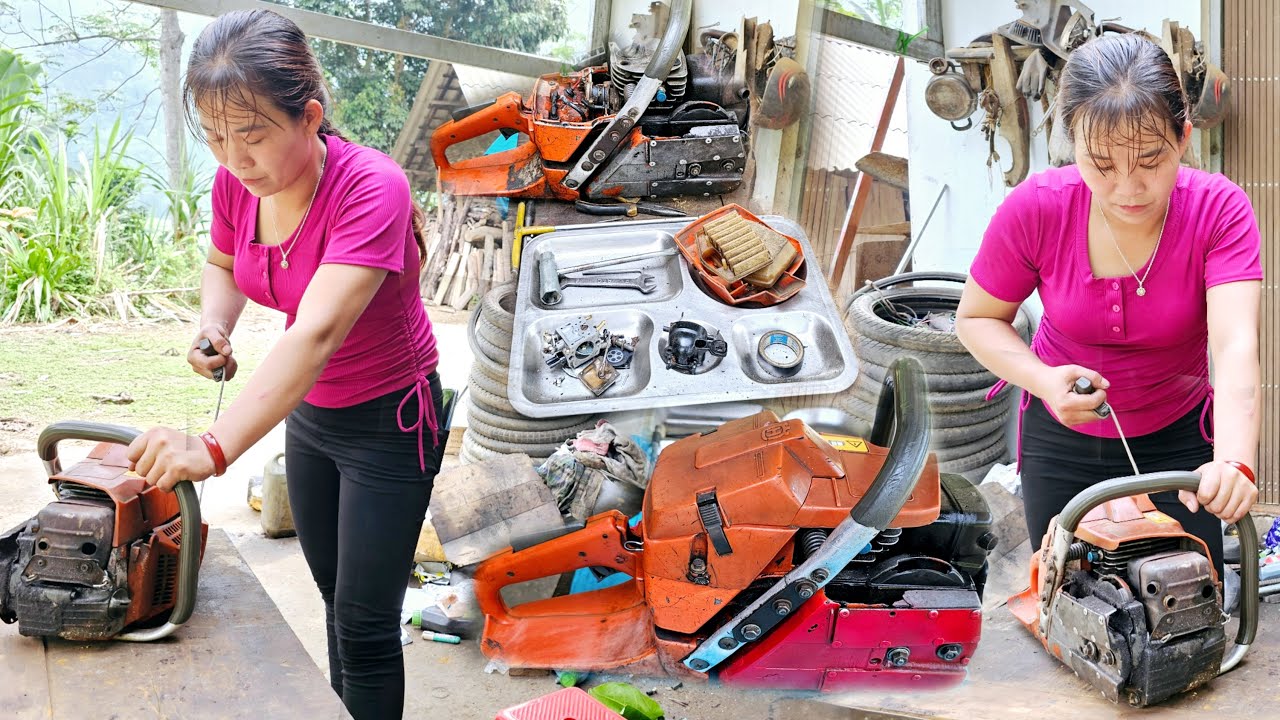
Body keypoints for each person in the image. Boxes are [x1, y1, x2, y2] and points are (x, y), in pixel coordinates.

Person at [125, 9, 442, 719]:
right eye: (215, 137)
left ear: (310, 117)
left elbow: (315, 334)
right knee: (334, 600)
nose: (234, 158)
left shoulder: (372, 187)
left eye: (252, 134)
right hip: (311, 417)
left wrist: (213, 446)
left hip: (390, 423)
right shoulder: (238, 186)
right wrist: (215, 325)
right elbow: (224, 265)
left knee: (366, 626)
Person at [956, 32, 1261, 576]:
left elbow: (1236, 344)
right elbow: (977, 319)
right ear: (1072, 143)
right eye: (1101, 164)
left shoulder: (1219, 210)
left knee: (1184, 596)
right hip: (1060, 438)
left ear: (1183, 138)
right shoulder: (1036, 209)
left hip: (1179, 441)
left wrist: (1234, 460)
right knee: (1067, 593)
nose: (1127, 187)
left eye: (1150, 160)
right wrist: (1043, 380)